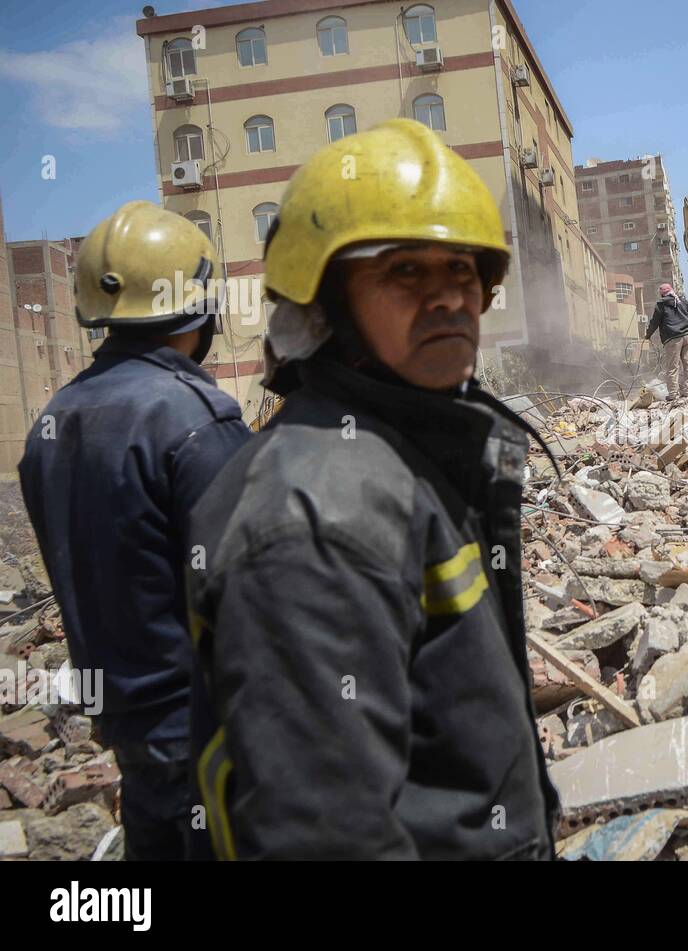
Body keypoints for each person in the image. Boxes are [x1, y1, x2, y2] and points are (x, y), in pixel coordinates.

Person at [185, 118, 559, 860]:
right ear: (326, 308)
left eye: (461, 270)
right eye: (405, 272)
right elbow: (326, 835)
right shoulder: (313, 517)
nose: (450, 296)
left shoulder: (403, 451)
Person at [18, 201, 250, 860]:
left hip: (133, 743)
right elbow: (255, 595)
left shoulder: (52, 426)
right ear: (198, 308)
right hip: (216, 744)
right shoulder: (197, 419)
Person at [646, 282, 688, 400]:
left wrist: (648, 335)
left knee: (672, 367)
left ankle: (674, 394)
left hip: (672, 339)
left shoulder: (661, 304)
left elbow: (654, 322)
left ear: (662, 294)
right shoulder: (682, 301)